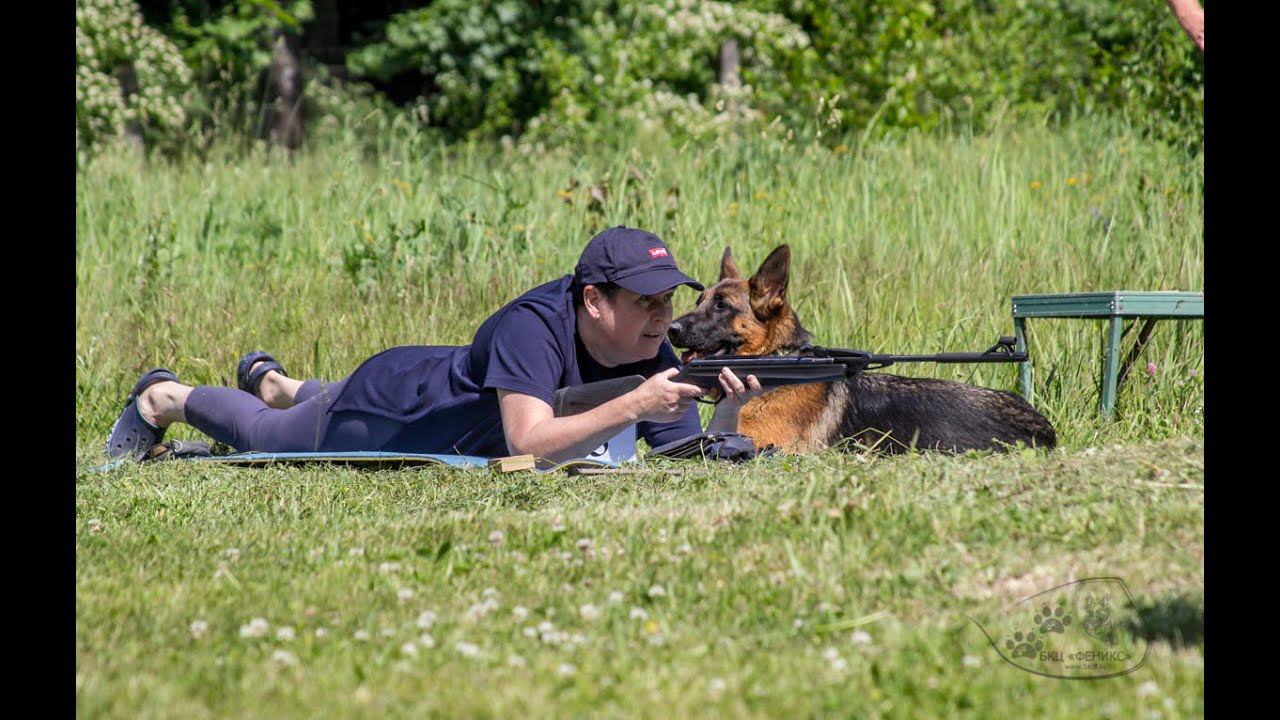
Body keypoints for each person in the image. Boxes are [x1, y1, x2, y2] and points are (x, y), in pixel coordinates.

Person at [105, 226, 763, 464]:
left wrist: (726, 411)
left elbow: (677, 447)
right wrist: (632, 406)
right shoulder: (531, 328)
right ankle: (167, 396)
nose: (663, 318)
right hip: (392, 405)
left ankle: (277, 382)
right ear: (594, 299)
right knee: (274, 438)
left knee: (288, 403)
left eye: (667, 299)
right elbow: (529, 442)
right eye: (647, 302)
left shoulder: (646, 340)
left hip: (439, 377)